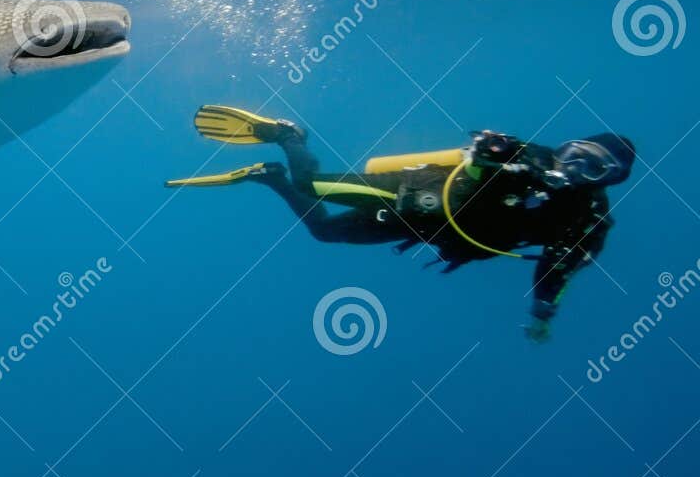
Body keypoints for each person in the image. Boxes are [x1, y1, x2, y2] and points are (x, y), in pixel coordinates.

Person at [166, 105, 635, 340]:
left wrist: (543, 313)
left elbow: (557, 269)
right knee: (310, 186)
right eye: (577, 154)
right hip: (411, 193)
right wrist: (486, 155)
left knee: (325, 231)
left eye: (594, 168)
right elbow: (475, 160)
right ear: (567, 146)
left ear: (607, 181)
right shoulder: (528, 154)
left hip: (427, 229)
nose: (575, 168)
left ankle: (268, 177)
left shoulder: (589, 221)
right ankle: (289, 136)